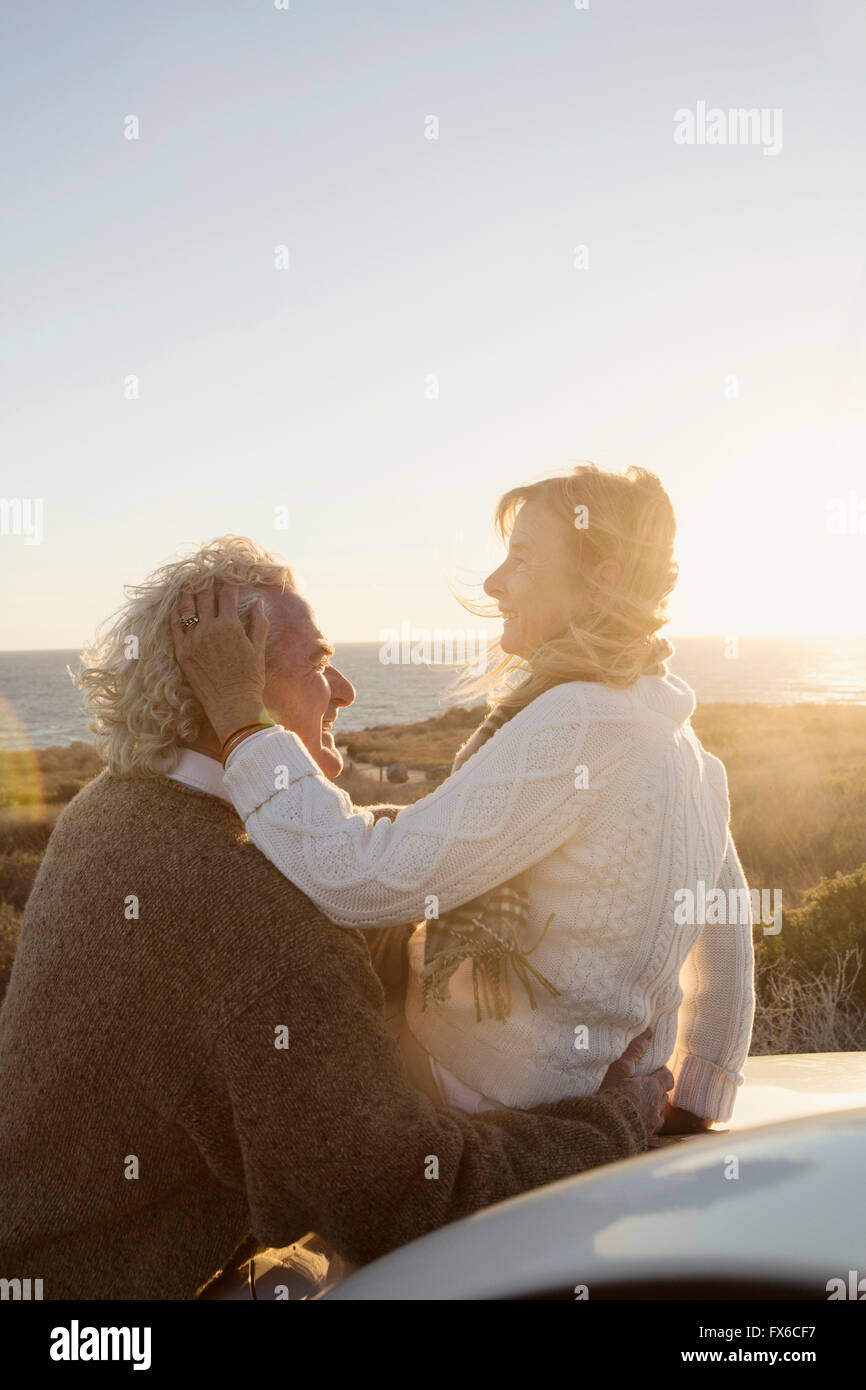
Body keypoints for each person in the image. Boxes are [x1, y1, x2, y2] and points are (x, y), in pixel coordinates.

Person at [0, 536, 671, 1301]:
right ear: (230, 692)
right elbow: (414, 1200)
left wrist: (475, 844)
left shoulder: (115, 809)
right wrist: (614, 1124)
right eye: (318, 663)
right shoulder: (248, 923)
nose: (346, 689)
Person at [173, 466, 755, 1127]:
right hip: (602, 1094)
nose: (494, 582)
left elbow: (364, 879)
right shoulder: (685, 750)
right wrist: (698, 1100)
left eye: (523, 558)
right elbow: (727, 937)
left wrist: (241, 721)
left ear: (607, 577)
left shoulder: (582, 720)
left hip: (479, 1094)